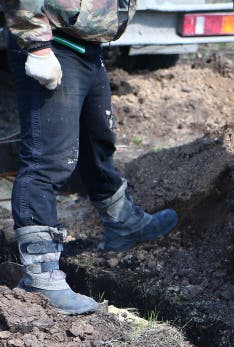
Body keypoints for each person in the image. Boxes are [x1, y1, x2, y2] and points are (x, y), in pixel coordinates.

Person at [1, 0, 177, 315]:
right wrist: (38, 45)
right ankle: (41, 274)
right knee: (48, 161)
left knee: (98, 140)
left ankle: (122, 222)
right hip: (53, 43)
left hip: (86, 45)